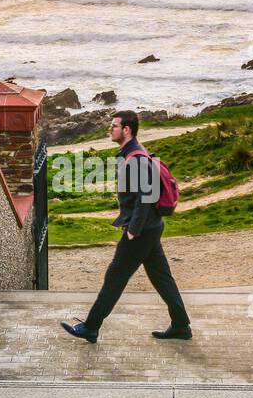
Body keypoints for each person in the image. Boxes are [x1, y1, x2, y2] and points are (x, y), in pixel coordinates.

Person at [60, 110, 192, 344]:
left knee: (115, 276)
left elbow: (146, 197)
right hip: (150, 228)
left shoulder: (136, 158)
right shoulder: (131, 154)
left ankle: (91, 327)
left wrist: (133, 230)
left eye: (114, 126)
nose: (109, 129)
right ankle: (181, 325)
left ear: (126, 130)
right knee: (162, 277)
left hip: (142, 231)